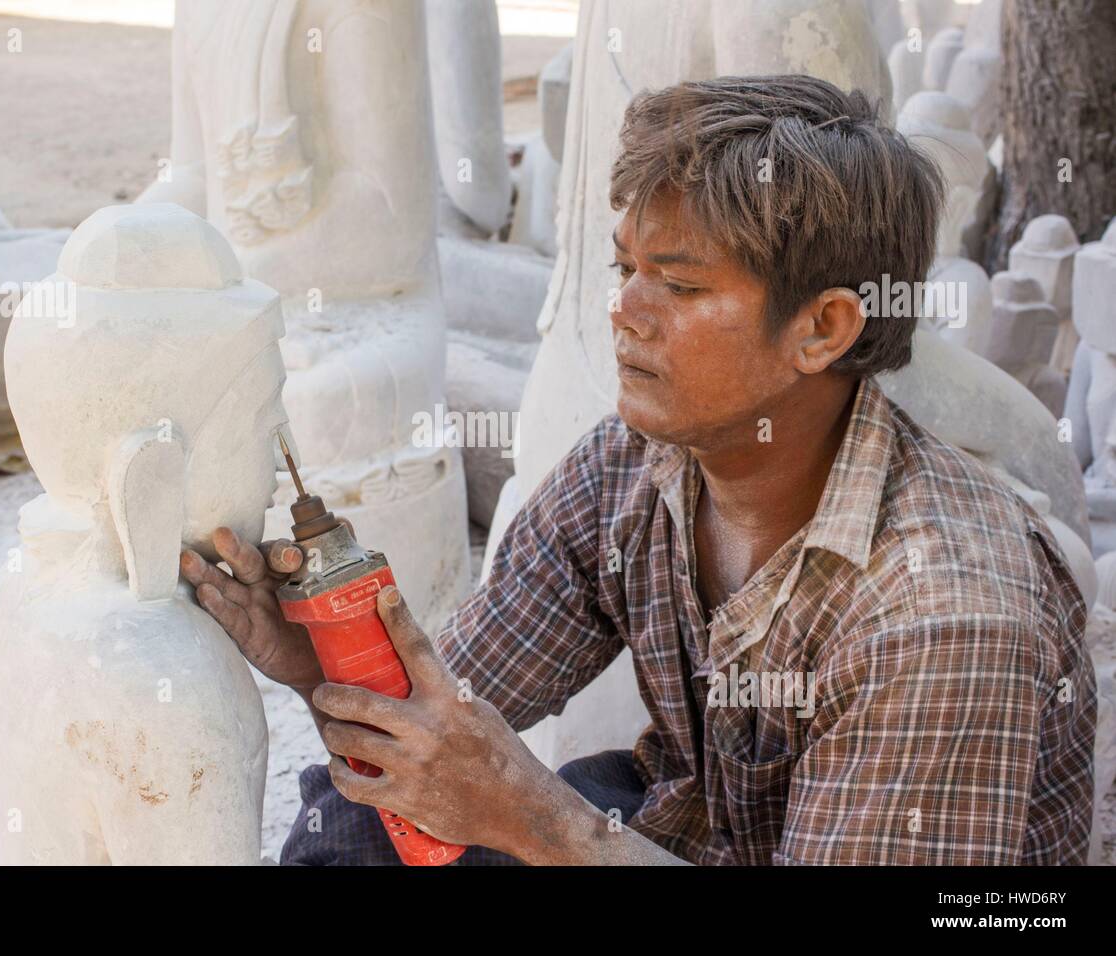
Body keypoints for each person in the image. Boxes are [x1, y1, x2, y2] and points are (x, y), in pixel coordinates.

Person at [181, 75, 1096, 865]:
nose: (624, 312)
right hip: (692, 827)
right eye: (624, 268)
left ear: (822, 329)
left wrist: (540, 822)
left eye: (681, 285)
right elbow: (456, 707)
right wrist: (336, 670)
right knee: (362, 818)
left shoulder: (944, 613)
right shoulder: (639, 464)